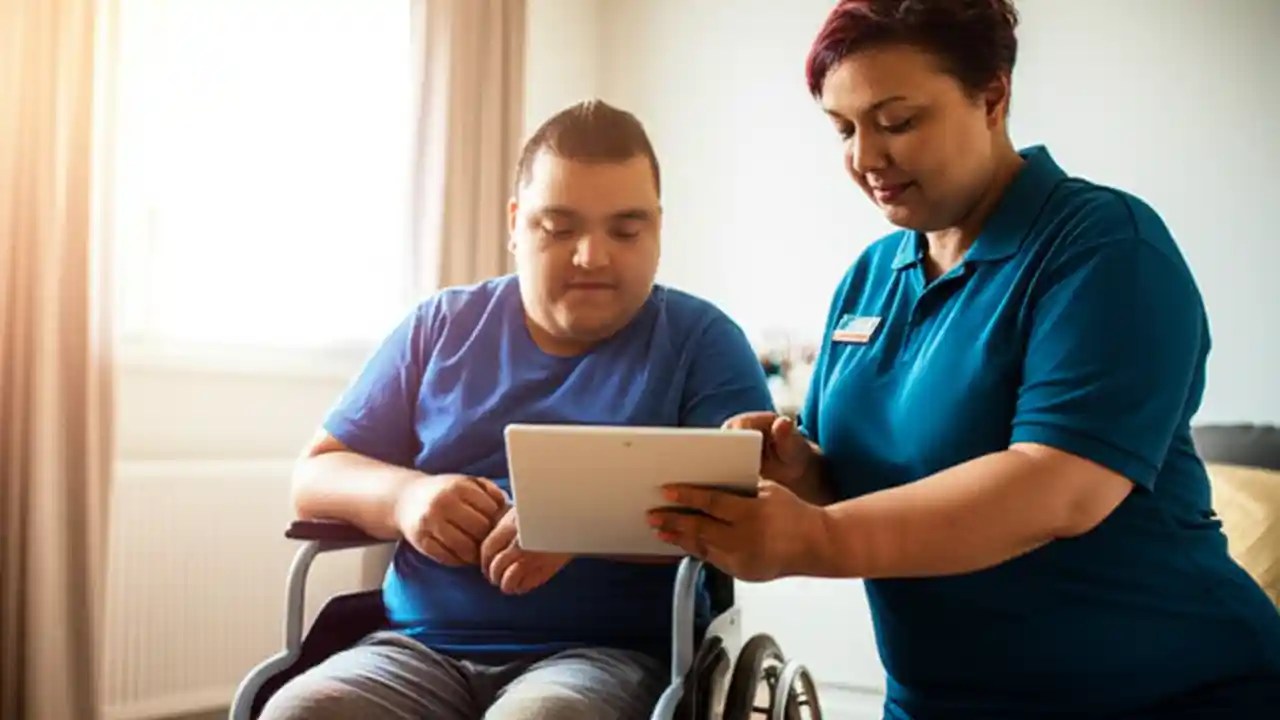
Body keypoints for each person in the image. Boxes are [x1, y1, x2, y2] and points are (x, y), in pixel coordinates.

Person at [648, 1, 1280, 718]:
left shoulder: (1104, 247)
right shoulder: (872, 275)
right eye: (844, 129)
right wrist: (800, 472)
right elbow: (859, 480)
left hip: (1165, 698)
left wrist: (815, 538)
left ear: (993, 97)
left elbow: (1057, 487)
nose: (864, 159)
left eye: (897, 122)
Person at [260, 99, 773, 720]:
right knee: (302, 711)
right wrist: (407, 499)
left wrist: (576, 523)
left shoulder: (703, 341)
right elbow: (316, 477)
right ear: (514, 224)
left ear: (658, 230)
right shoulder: (440, 327)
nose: (592, 256)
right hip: (417, 648)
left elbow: (750, 511)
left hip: (607, 655)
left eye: (626, 230)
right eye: (559, 228)